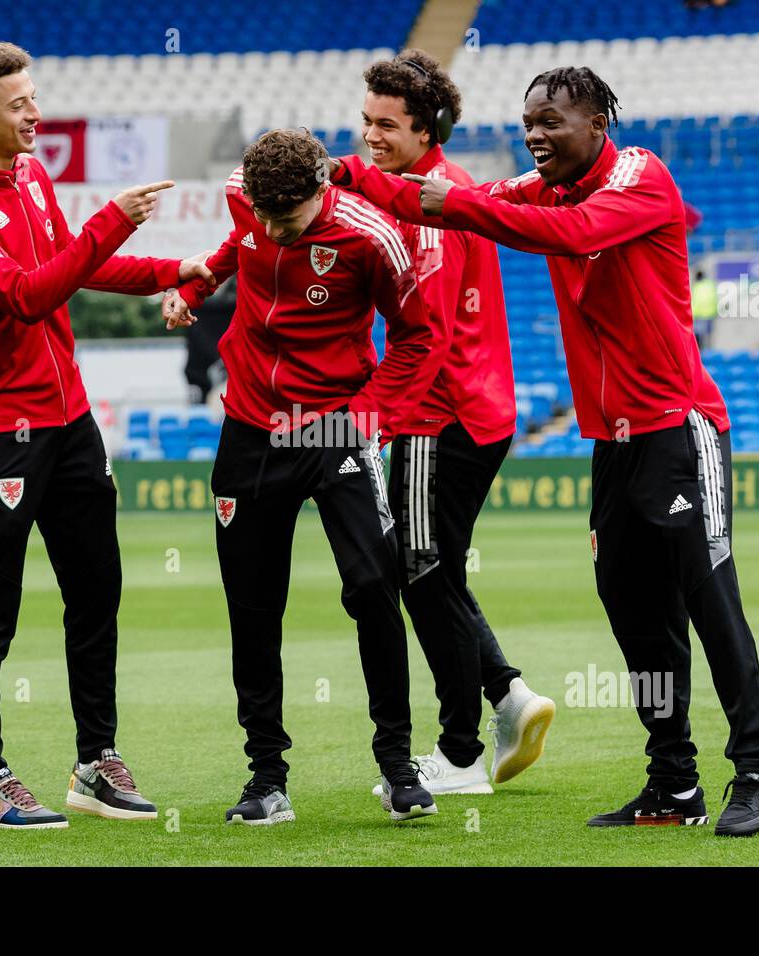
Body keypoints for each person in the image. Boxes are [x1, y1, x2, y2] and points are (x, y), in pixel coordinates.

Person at [337, 66, 759, 836]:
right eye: (529, 122)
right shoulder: (546, 187)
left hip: (680, 428)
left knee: (713, 605)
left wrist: (460, 202)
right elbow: (447, 203)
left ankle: (758, 772)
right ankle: (673, 784)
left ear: (598, 125)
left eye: (552, 121)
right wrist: (344, 173)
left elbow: (564, 230)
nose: (536, 134)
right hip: (612, 445)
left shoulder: (640, 175)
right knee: (637, 618)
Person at [0, 39, 215, 830]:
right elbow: (24, 295)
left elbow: (69, 270)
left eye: (34, 98)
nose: (35, 114)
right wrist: (110, 222)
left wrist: (170, 269)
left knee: (96, 592)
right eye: (20, 105)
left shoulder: (29, 174)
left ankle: (95, 764)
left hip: (71, 420)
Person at [164, 129, 441, 825]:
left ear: (323, 192)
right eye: (259, 213)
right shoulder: (248, 204)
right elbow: (238, 245)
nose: (269, 229)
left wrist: (368, 417)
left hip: (334, 428)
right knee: (252, 607)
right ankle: (266, 778)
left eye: (285, 219)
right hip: (250, 428)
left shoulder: (371, 237)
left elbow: (418, 336)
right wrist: (198, 284)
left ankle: (398, 766)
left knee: (375, 584)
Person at [332, 50, 555, 797]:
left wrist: (376, 423)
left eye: (386, 125)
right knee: (434, 568)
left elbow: (422, 338)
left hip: (440, 415)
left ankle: (460, 755)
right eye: (365, 121)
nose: (371, 135)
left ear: (428, 132)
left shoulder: (427, 210)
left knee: (421, 572)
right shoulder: (434, 191)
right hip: (477, 407)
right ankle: (507, 695)